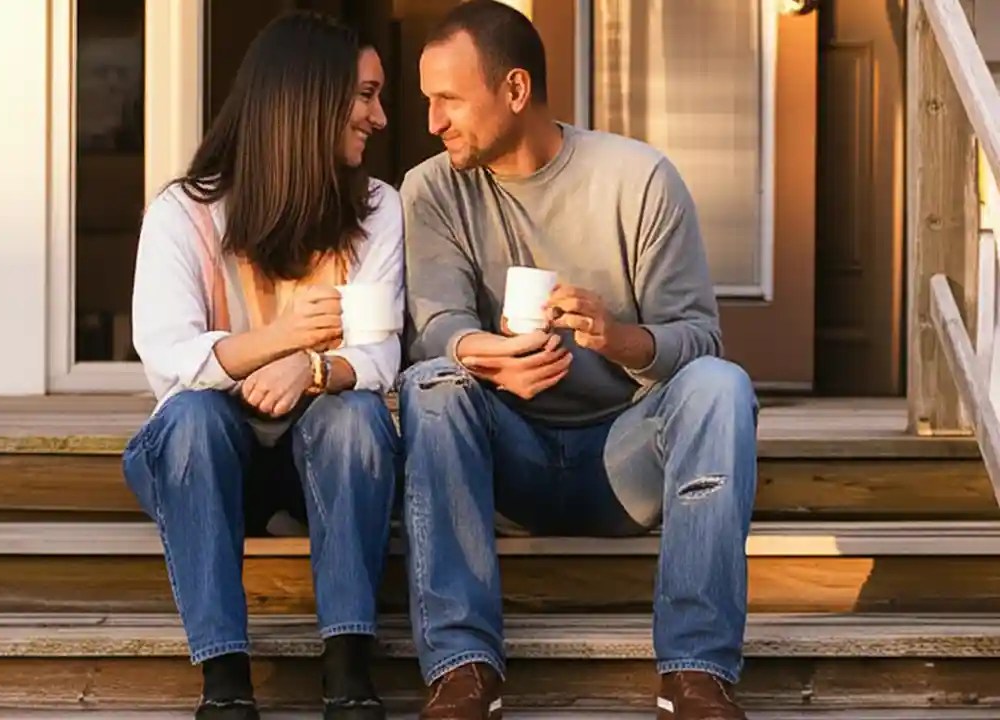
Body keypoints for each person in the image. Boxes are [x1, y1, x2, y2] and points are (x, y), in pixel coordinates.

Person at [396, 2, 758, 719]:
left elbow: (700, 338)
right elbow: (436, 326)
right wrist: (486, 356)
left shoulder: (640, 179)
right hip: (510, 457)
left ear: (516, 90)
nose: (433, 122)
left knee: (722, 386)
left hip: (626, 454)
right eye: (426, 101)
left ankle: (695, 672)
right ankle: (462, 667)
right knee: (430, 383)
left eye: (448, 100)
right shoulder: (431, 188)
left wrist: (616, 337)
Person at [122, 12, 403, 720]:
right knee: (190, 416)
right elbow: (166, 354)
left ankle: (347, 672)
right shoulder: (184, 212)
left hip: (323, 461)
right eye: (365, 95)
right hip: (210, 462)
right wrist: (280, 339)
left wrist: (313, 370)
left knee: (357, 412)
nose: (380, 116)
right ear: (308, 98)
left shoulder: (377, 209)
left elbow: (379, 353)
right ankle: (224, 684)